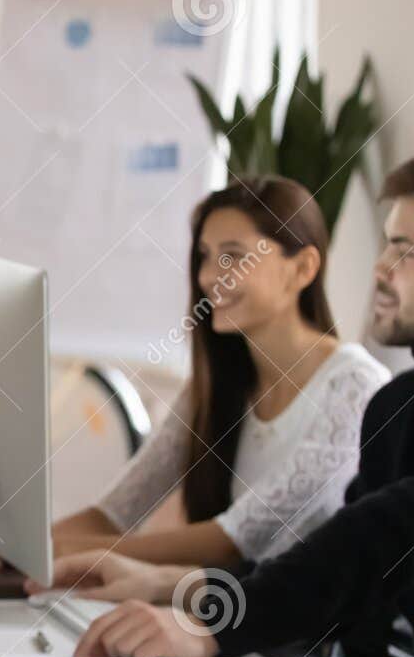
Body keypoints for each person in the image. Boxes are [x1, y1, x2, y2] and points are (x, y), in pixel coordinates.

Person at [37, 145, 414, 657]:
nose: (379, 269)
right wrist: (181, 586)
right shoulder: (401, 403)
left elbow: (386, 536)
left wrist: (215, 624)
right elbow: (344, 569)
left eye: (404, 250)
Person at [53, 177, 390, 567]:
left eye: (232, 256)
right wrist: (15, 549)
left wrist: (62, 553)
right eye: (205, 256)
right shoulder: (216, 384)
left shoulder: (354, 385)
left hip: (310, 627)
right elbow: (114, 513)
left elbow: (236, 539)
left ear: (302, 268)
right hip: (220, 617)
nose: (208, 277)